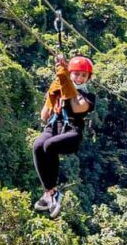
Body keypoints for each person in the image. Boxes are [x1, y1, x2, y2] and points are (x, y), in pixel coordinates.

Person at [32, 54, 96, 218]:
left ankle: (53, 193)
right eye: (76, 74)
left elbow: (76, 107)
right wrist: (53, 92)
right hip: (53, 126)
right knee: (38, 146)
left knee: (49, 146)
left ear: (88, 78)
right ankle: (49, 192)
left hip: (71, 131)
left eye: (83, 75)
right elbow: (44, 116)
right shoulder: (60, 89)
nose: (79, 78)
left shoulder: (88, 97)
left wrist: (65, 79)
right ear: (71, 73)